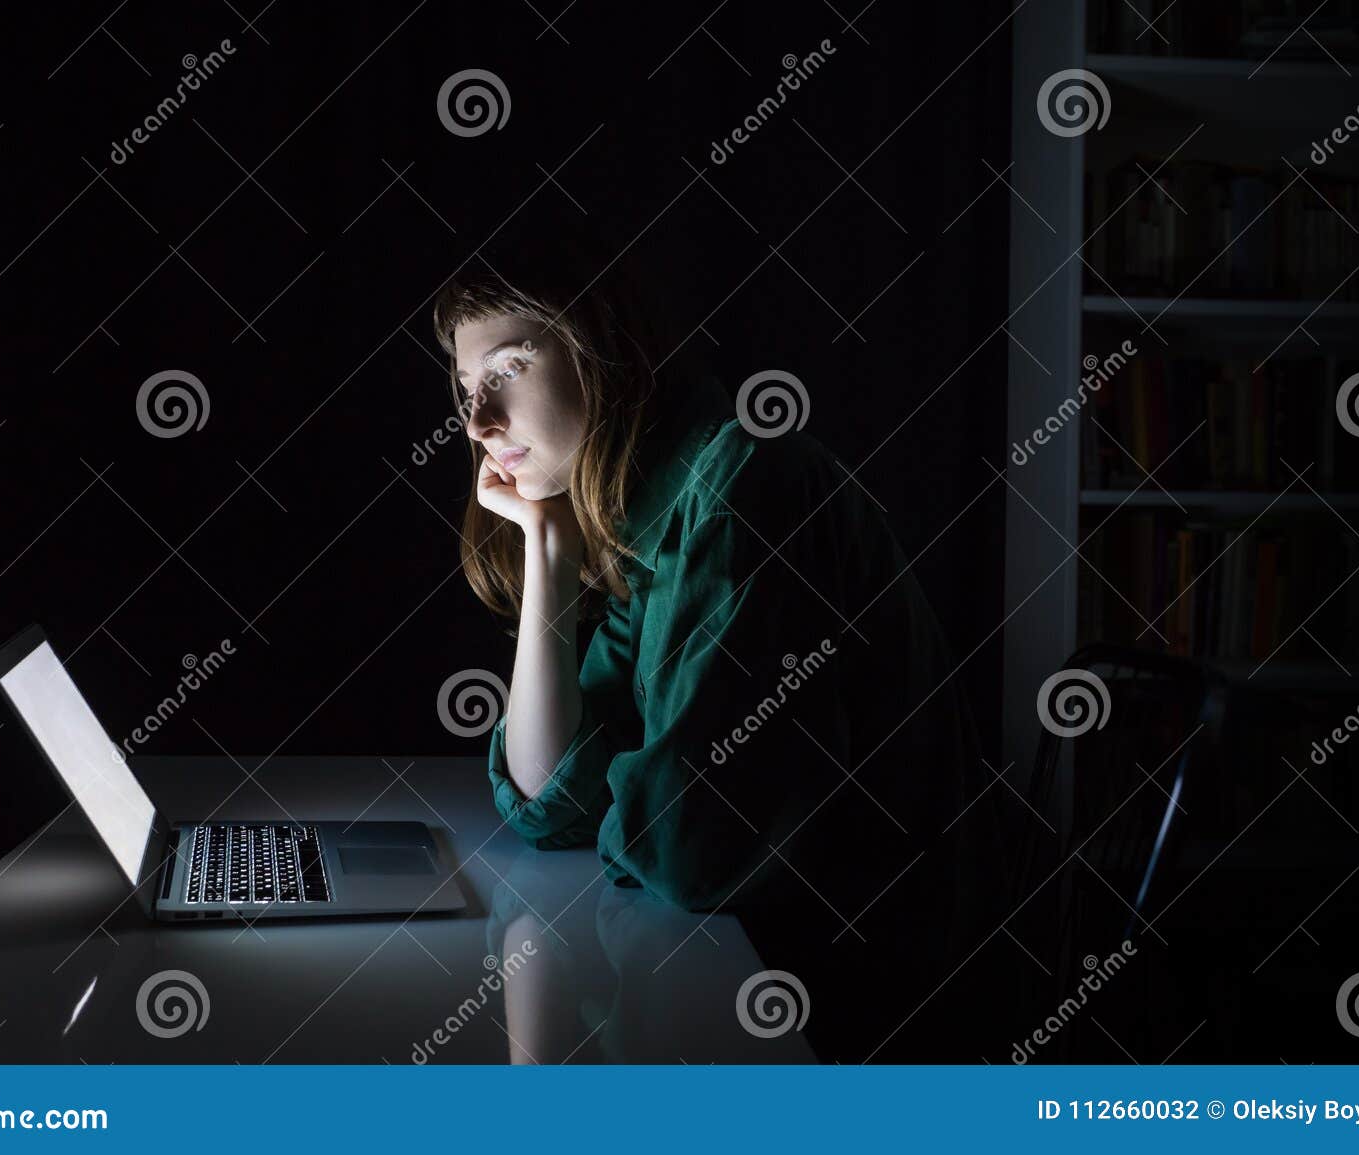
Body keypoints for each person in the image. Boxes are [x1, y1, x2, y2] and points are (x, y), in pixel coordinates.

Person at [431, 224, 1013, 1059]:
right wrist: (547, 552)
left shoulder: (742, 482)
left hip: (867, 1027)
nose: (480, 419)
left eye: (510, 368)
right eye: (464, 389)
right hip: (754, 987)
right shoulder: (651, 517)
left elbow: (689, 849)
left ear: (604, 346)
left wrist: (624, 795)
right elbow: (549, 801)